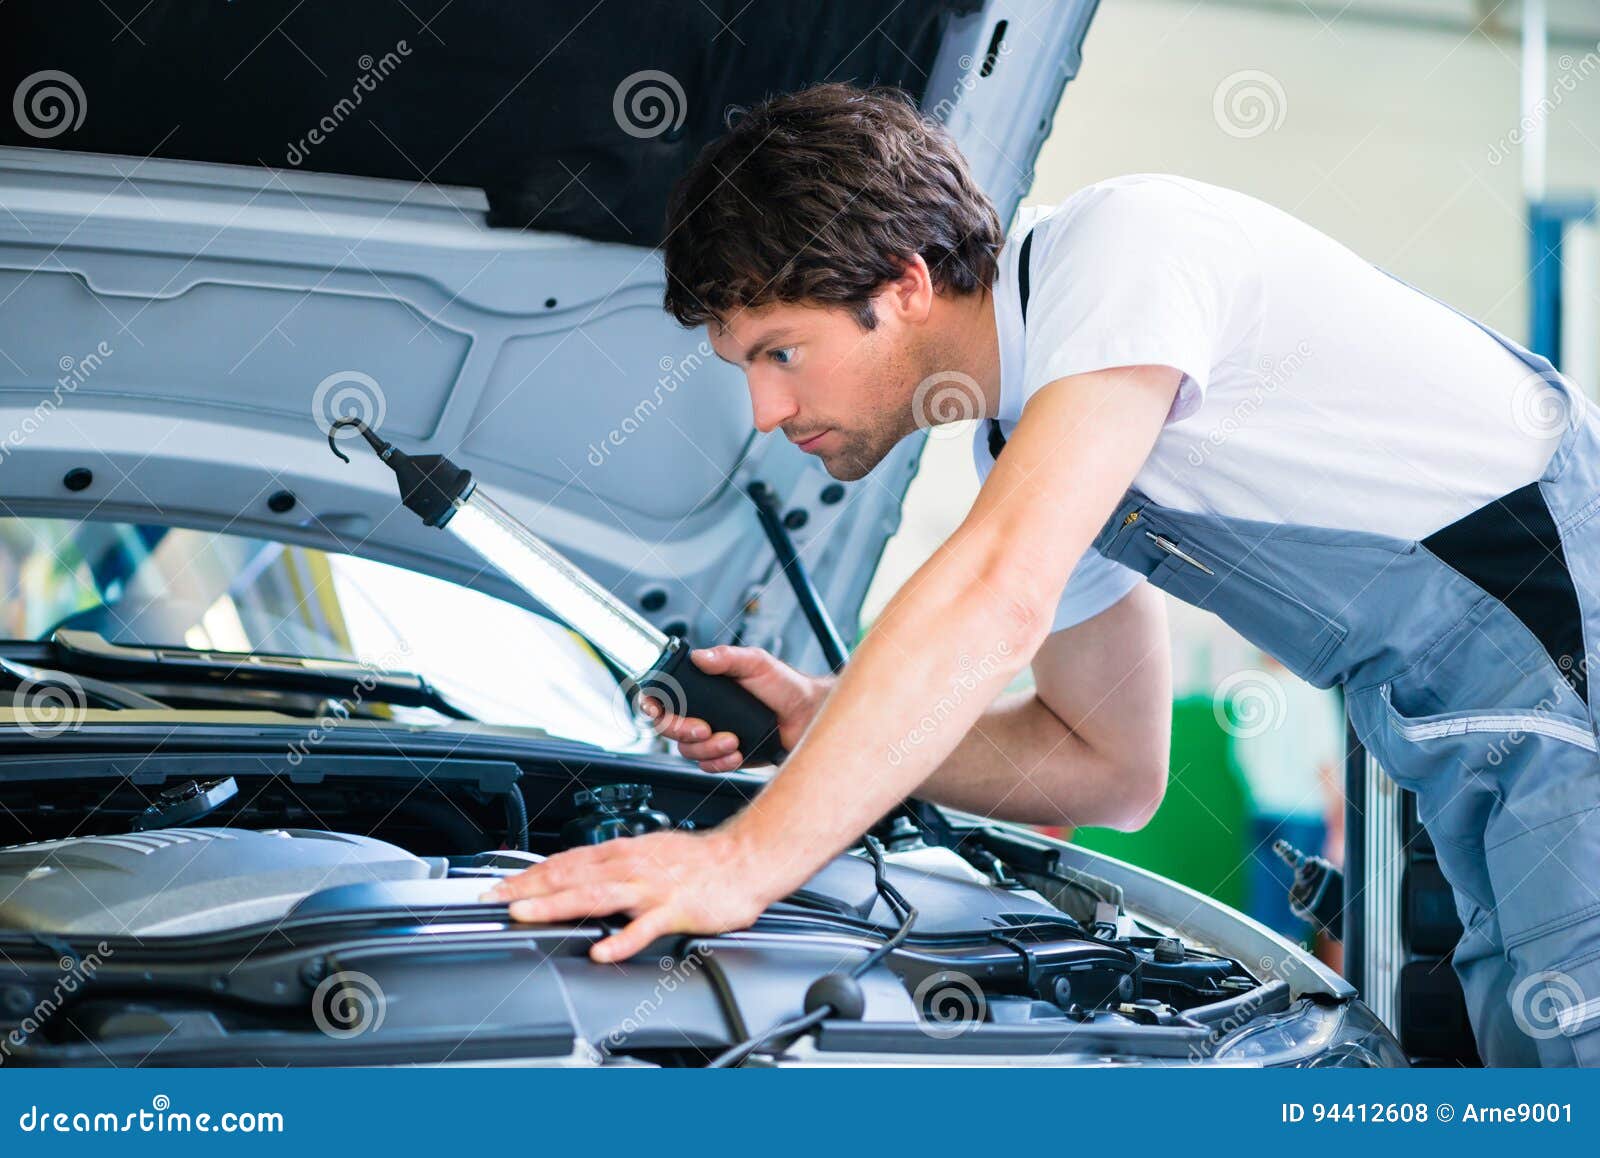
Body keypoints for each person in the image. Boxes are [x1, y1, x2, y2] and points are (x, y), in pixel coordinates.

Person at [482, 83, 1600, 1066]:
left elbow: (996, 589)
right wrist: (812, 724)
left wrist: (745, 859)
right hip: (1483, 753)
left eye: (780, 351)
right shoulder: (1027, 442)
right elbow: (1104, 768)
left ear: (905, 283)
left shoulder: (1124, 252)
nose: (766, 413)